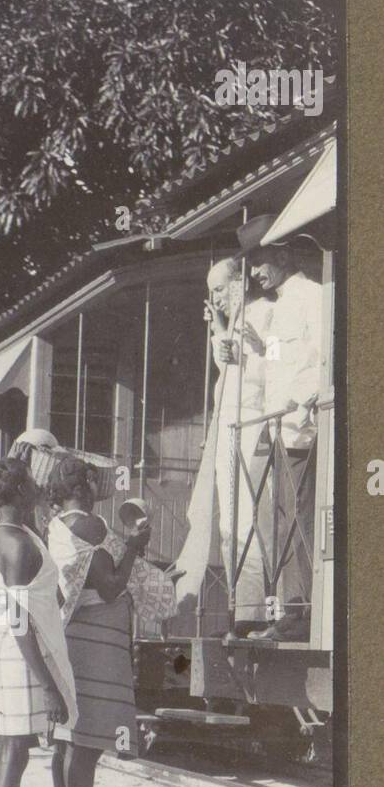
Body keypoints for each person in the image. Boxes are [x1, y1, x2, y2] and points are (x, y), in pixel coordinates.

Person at [45, 457, 165, 787]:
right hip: (97, 642)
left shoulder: (56, 527)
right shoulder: (90, 526)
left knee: (69, 741)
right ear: (87, 486)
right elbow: (112, 586)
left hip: (71, 636)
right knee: (89, 746)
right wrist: (132, 545)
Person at [0, 457, 77, 787]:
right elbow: (20, 620)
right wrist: (49, 686)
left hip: (16, 645)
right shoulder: (16, 544)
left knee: (11, 750)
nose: (42, 489)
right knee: (14, 751)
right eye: (35, 485)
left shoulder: (9, 532)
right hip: (19, 649)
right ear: (19, 493)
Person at [171, 257, 274, 633]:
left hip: (251, 426)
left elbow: (272, 364)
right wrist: (219, 326)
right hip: (228, 429)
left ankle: (255, 609)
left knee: (247, 517)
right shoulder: (231, 323)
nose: (215, 297)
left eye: (219, 288)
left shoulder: (266, 313)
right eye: (210, 291)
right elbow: (225, 376)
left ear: (239, 282)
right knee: (228, 521)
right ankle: (241, 606)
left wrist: (254, 350)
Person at [241, 220, 323, 641]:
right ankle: (288, 611)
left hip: (299, 430)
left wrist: (304, 401)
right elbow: (278, 363)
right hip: (276, 430)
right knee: (278, 520)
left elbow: (324, 358)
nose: (254, 274)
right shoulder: (277, 309)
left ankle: (302, 612)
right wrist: (258, 346)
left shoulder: (314, 296)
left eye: (259, 263)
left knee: (300, 519)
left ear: (284, 256)